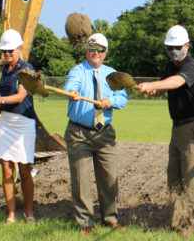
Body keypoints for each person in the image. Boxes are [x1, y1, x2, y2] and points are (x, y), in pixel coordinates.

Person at [137, 25, 194, 236]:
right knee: (174, 176)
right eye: (170, 47)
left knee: (190, 177)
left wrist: (155, 84)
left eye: (177, 46)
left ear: (187, 46)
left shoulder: (191, 66)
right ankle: (174, 220)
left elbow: (177, 82)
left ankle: (189, 224)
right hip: (177, 127)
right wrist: (154, 91)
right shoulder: (170, 65)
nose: (173, 50)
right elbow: (164, 89)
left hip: (193, 127)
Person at [62, 33, 129, 235]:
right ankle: (85, 223)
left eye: (100, 49)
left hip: (104, 133)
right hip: (79, 133)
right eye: (92, 48)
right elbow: (70, 86)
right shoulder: (78, 71)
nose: (96, 53)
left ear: (105, 52)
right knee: (81, 180)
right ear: (86, 50)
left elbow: (122, 98)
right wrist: (72, 93)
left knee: (109, 178)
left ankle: (110, 218)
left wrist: (110, 101)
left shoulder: (112, 74)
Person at [0, 29, 37, 224]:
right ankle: (11, 214)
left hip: (24, 123)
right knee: (6, 169)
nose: (8, 54)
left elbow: (20, 96)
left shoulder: (26, 69)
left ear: (19, 48)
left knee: (24, 169)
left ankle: (29, 213)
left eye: (11, 50)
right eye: (5, 51)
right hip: (7, 123)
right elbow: (6, 98)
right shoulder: (5, 71)